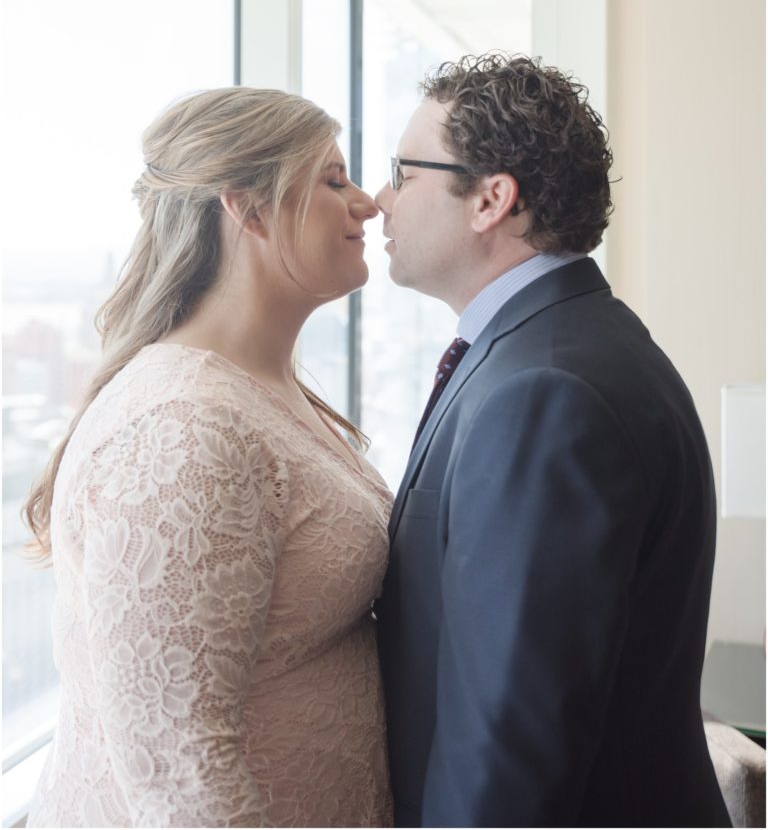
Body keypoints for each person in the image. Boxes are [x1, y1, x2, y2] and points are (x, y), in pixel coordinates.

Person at [374, 52, 730, 829]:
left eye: (404, 173)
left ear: (491, 200)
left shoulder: (544, 393)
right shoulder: (562, 344)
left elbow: (510, 745)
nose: (379, 201)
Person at [24, 87, 393, 828]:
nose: (367, 204)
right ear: (248, 209)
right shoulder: (181, 428)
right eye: (332, 179)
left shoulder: (262, 387)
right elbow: (179, 775)